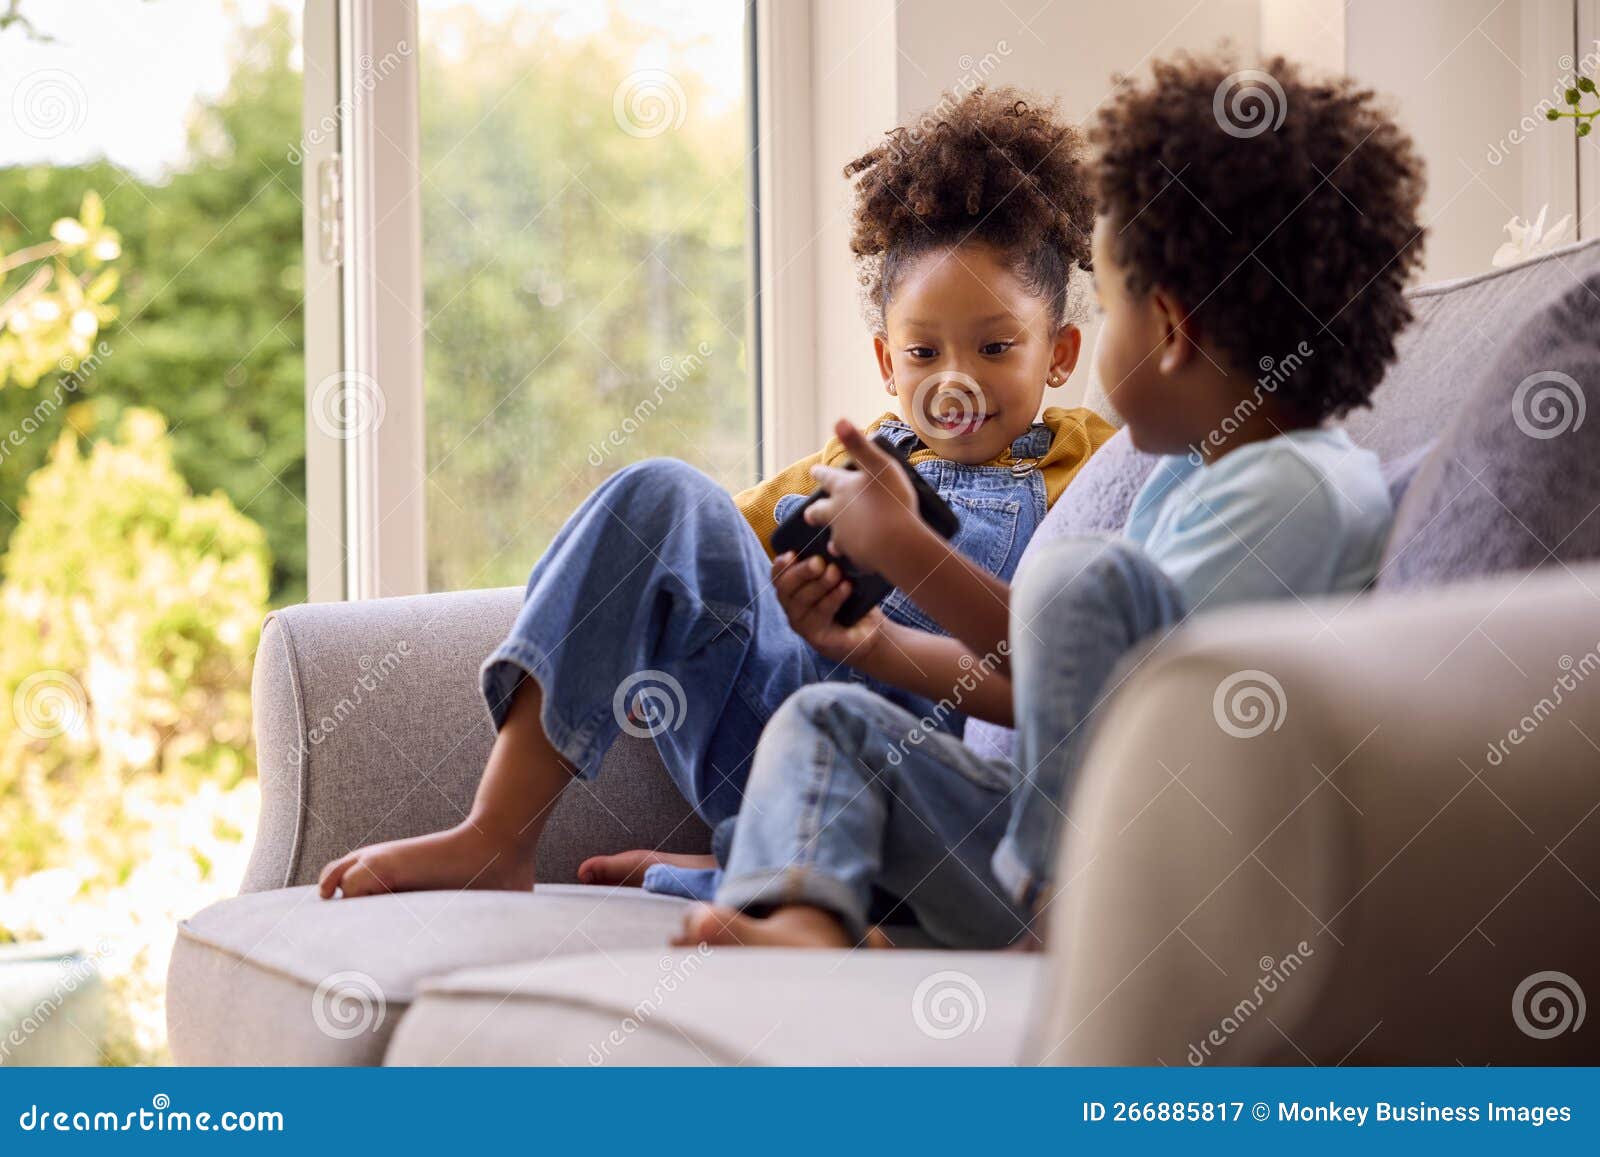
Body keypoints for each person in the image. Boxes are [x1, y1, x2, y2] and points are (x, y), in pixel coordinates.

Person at [675, 53, 1424, 949]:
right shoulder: (1198, 475)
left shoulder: (1295, 490)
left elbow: (1129, 695)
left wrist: (909, 549)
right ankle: (807, 921)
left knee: (1076, 577)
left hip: (1164, 871)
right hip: (1063, 833)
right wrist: (874, 643)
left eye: (1108, 306)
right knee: (827, 716)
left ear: (1174, 331)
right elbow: (1062, 699)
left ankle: (1053, 931)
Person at [317, 87, 1115, 902]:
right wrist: (798, 596)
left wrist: (901, 576)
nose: (956, 379)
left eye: (994, 347)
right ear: (886, 361)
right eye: (923, 351)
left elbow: (1068, 656)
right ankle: (497, 833)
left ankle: (755, 864)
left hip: (932, 793)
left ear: (1060, 353)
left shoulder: (1092, 465)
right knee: (659, 494)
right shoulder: (854, 467)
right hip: (779, 737)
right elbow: (684, 565)